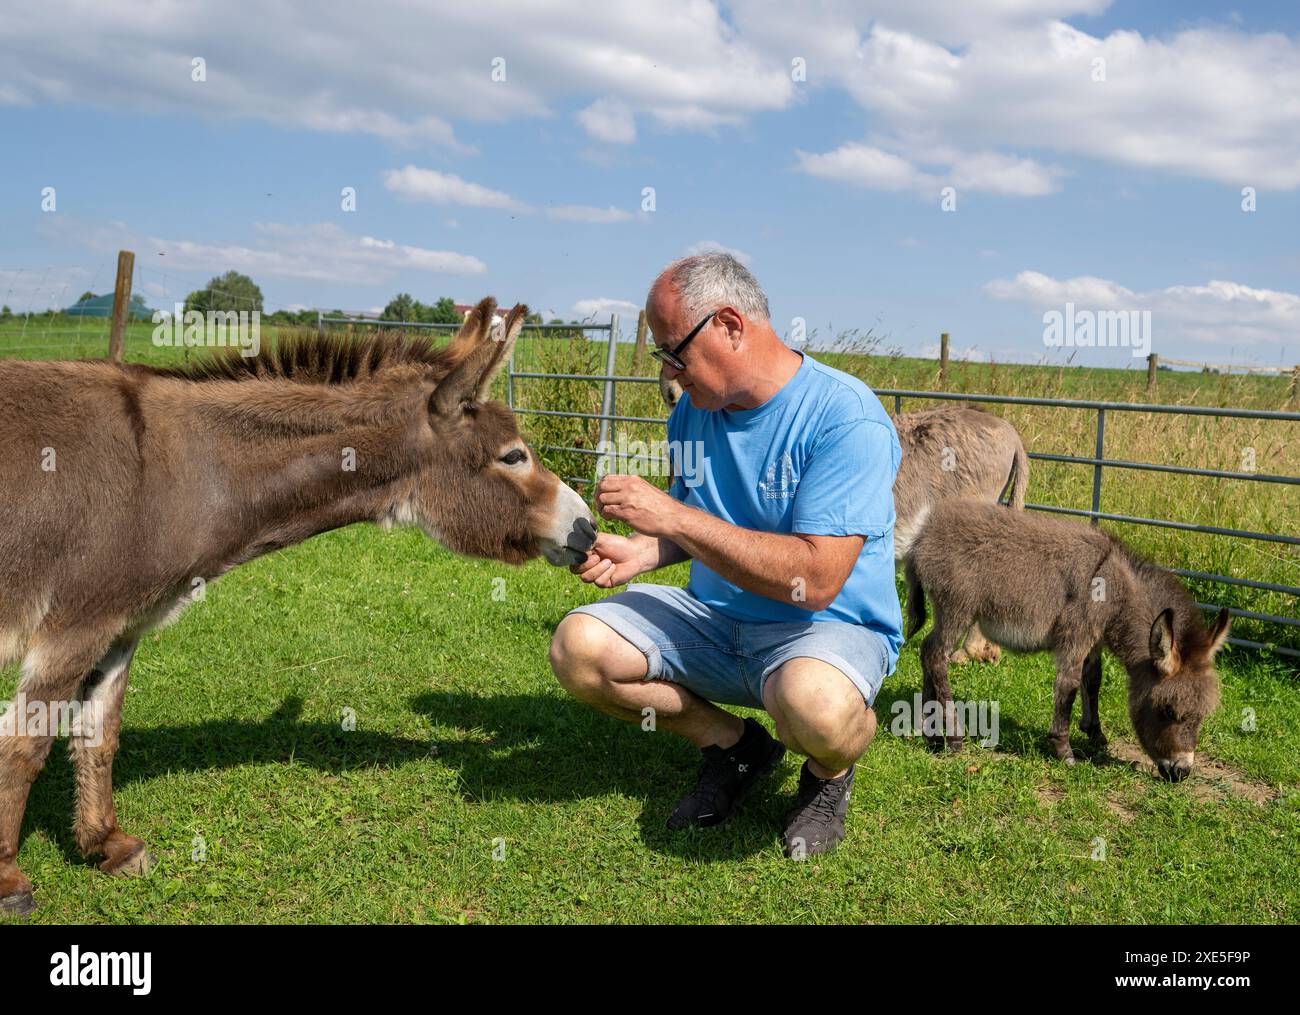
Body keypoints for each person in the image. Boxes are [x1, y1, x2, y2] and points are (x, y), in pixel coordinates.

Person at [548, 253, 902, 857]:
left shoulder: (846, 419)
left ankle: (827, 776)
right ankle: (736, 748)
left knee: (814, 707)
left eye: (671, 351)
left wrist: (674, 517)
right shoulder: (693, 413)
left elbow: (813, 581)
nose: (668, 372)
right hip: (714, 621)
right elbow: (696, 525)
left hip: (821, 630)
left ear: (731, 327)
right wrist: (642, 550)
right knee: (577, 650)